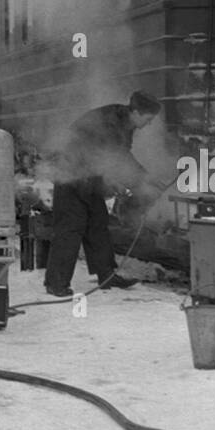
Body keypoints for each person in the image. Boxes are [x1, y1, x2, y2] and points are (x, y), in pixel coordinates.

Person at [44, 90, 163, 297]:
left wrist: (139, 179)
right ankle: (56, 283)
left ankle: (106, 275)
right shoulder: (111, 123)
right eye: (148, 118)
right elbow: (116, 158)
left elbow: (117, 158)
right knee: (70, 229)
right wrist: (142, 181)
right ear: (136, 112)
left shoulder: (124, 122)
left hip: (89, 177)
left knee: (98, 225)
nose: (149, 123)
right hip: (71, 174)